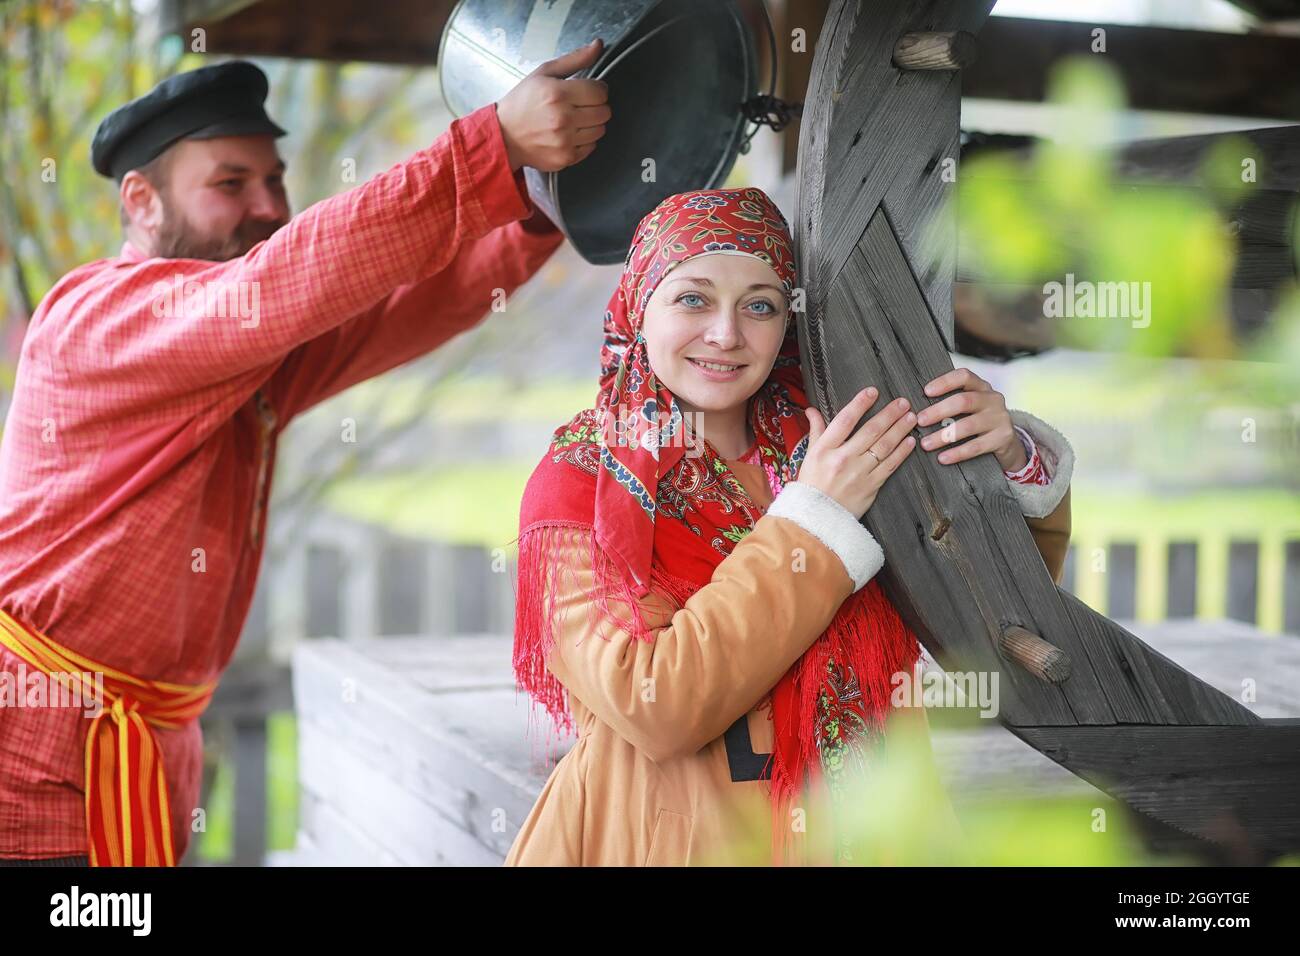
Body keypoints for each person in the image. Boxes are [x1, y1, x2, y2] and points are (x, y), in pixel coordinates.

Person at [0, 43, 610, 866]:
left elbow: (418, 301)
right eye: (230, 183)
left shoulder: (242, 354)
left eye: (275, 179)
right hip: (30, 768)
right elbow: (278, 284)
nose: (266, 205)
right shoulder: (93, 318)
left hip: (146, 757)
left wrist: (537, 198)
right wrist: (489, 144)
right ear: (140, 202)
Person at [506, 186, 1074, 866]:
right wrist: (816, 523)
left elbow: (998, 623)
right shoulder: (581, 481)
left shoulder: (845, 443)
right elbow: (654, 703)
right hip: (667, 844)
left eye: (761, 305)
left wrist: (1008, 462)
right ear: (637, 303)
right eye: (692, 298)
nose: (726, 333)